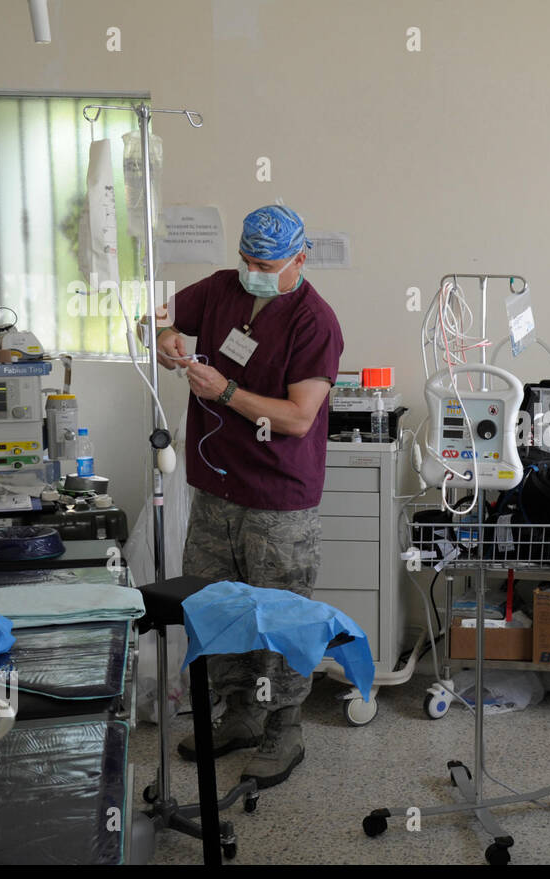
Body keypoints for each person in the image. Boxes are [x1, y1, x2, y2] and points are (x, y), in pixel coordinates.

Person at [155, 204, 344, 789]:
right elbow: (158, 314)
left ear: (299, 258)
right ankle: (239, 714)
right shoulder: (218, 291)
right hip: (216, 485)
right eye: (245, 259)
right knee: (217, 610)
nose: (252, 271)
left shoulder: (314, 322)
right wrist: (165, 337)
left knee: (281, 619)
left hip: (277, 498)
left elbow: (296, 418)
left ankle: (285, 729)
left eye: (265, 263)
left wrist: (227, 390)